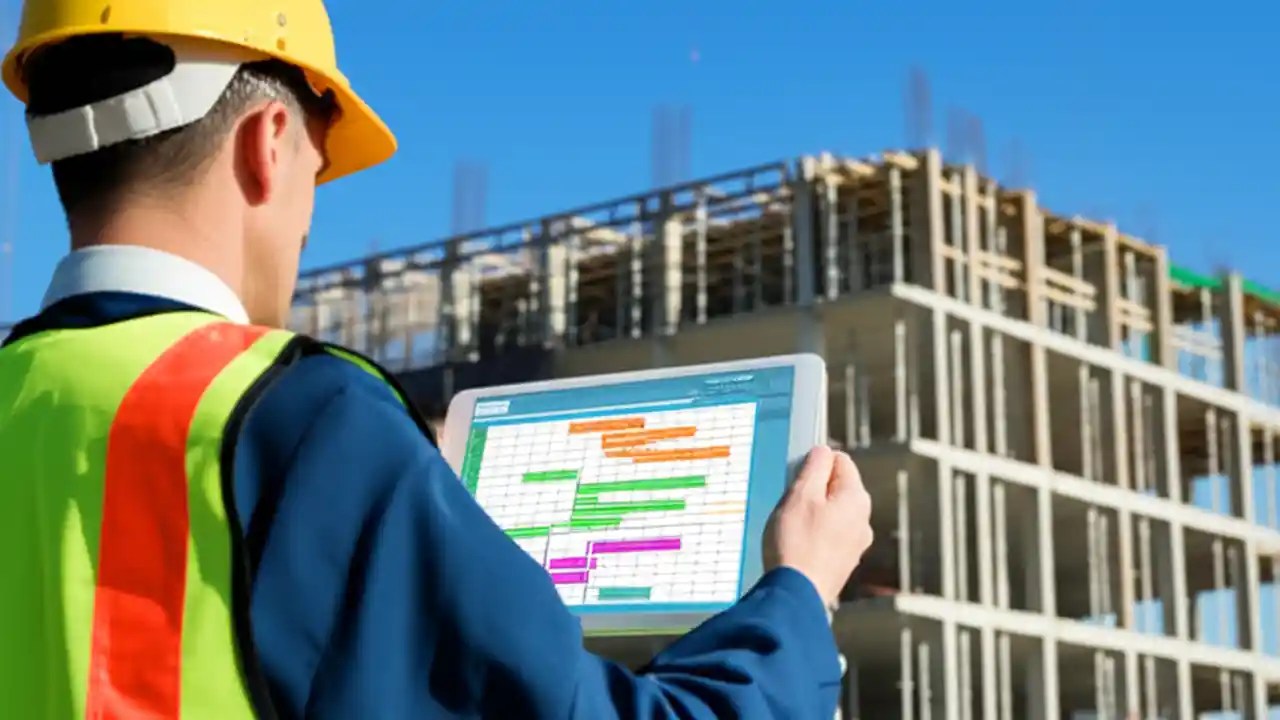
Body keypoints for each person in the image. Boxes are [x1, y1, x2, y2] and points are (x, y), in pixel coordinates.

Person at [0, 1, 875, 718]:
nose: (309, 221)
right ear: (268, 142)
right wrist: (796, 596)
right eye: (318, 167)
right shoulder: (303, 421)